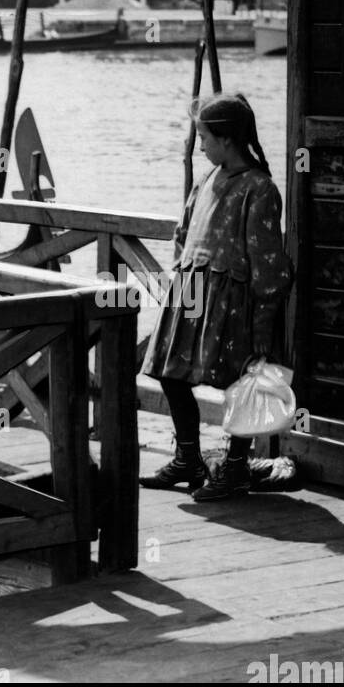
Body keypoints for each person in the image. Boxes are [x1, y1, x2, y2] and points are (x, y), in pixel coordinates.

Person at [140, 93, 293, 502]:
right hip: (191, 295)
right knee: (170, 375)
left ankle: (236, 470)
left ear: (226, 139)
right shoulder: (207, 179)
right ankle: (188, 459)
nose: (200, 145)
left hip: (235, 304)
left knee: (242, 384)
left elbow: (268, 264)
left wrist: (262, 323)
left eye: (204, 137)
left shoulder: (260, 189)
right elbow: (182, 233)